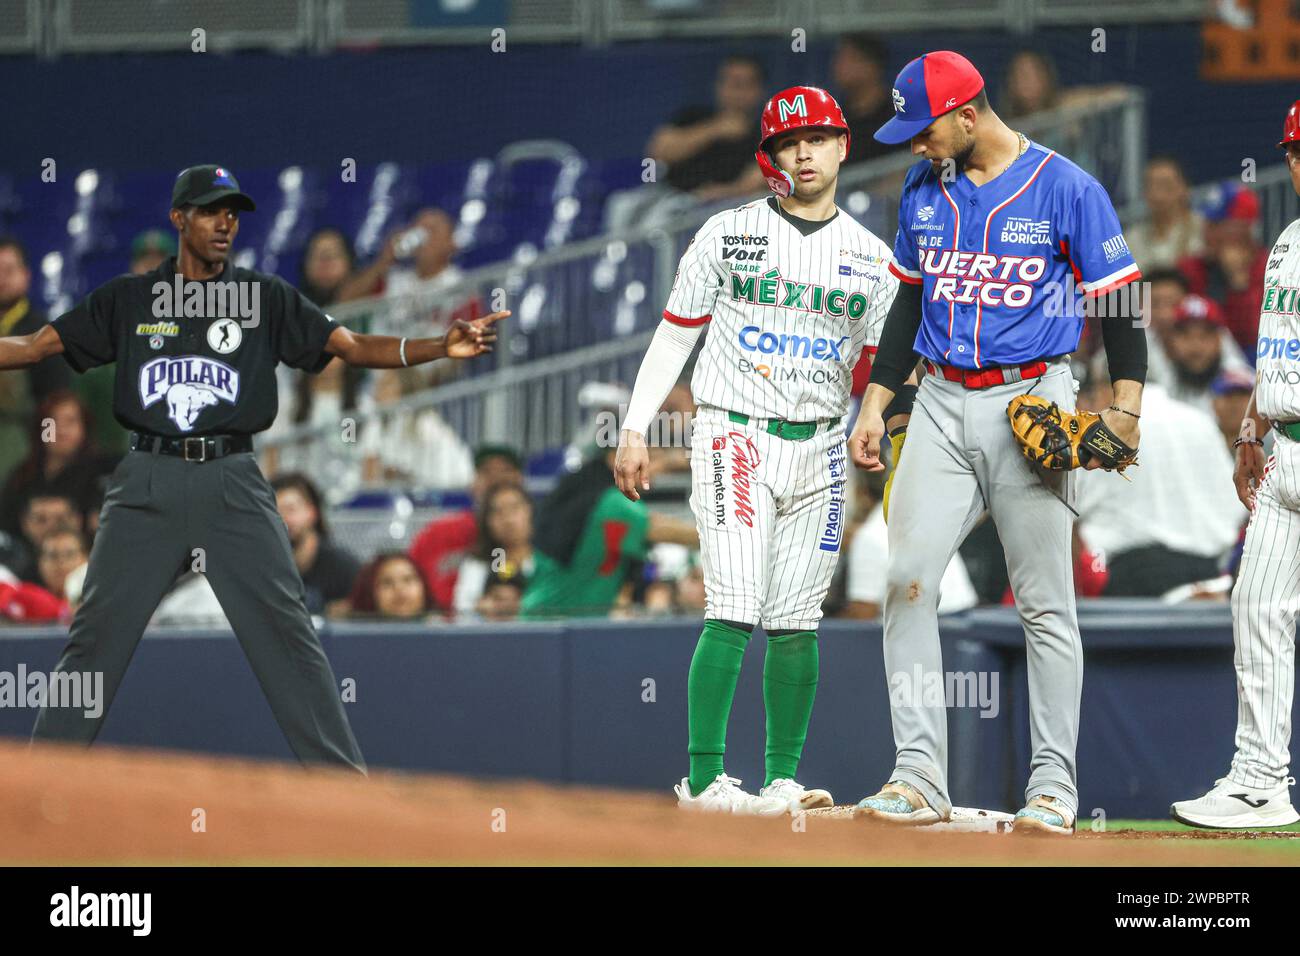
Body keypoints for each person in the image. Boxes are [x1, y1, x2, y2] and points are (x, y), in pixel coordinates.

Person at [0, 164, 508, 770]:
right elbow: (33, 348)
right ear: (179, 218)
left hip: (232, 476)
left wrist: (433, 347)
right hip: (145, 480)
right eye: (212, 211)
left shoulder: (262, 296)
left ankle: (344, 793)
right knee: (94, 640)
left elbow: (348, 345)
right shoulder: (129, 298)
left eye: (233, 213)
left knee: (289, 637)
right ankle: (36, 788)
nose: (225, 223)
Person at [853, 51, 1145, 835]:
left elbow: (1119, 301)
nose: (914, 143)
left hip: (1031, 396)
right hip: (941, 399)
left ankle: (1052, 788)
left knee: (1045, 603)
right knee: (907, 580)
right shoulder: (922, 189)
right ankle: (918, 778)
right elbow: (908, 305)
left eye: (924, 128)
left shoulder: (1065, 187)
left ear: (968, 115)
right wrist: (878, 401)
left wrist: (1126, 406)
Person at [616, 85, 899, 816]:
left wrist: (883, 426)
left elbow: (876, 372)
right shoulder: (728, 232)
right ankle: (704, 782)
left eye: (816, 138)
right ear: (769, 157)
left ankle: (780, 782)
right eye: (786, 143)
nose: (802, 152)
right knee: (735, 606)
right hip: (735, 432)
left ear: (843, 146)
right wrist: (636, 425)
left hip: (823, 446)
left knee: (798, 618)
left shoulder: (874, 260)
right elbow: (677, 331)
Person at [1172, 102, 1300, 828]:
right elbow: (1274, 352)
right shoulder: (1285, 241)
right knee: (1255, 609)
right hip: (1284, 454)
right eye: (1295, 150)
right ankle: (1259, 782)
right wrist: (1251, 427)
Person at [1075, 363, 1241, 598]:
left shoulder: (1106, 430)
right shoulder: (1201, 422)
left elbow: (1072, 509)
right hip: (1205, 574)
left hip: (1132, 576)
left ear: (1106, 387)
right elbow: (1235, 505)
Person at [523, 445, 697, 619]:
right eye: (652, 458)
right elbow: (663, 529)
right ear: (618, 457)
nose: (659, 469)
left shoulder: (584, 487)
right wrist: (720, 536)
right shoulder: (612, 502)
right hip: (551, 626)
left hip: (558, 621)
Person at [842, 468, 977, 619]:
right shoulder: (920, 512)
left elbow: (862, 617)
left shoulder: (869, 536)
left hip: (930, 627)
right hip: (966, 621)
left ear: (863, 493)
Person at [647, 55, 768, 203]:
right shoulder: (693, 116)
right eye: (733, 84)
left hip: (728, 207)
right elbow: (658, 152)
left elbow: (757, 180)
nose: (738, 93)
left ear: (759, 90)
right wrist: (715, 129)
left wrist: (723, 193)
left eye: (746, 85)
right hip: (674, 200)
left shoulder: (766, 134)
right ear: (719, 86)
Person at [0, 390, 119, 538]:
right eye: (52, 422)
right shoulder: (22, 476)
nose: (61, 430)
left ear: (84, 427)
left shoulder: (104, 471)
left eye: (70, 421)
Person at [0, 237, 72, 478]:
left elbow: (53, 402)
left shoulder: (43, 334)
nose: (2, 279)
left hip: (22, 445)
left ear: (26, 275)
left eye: (9, 270)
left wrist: (47, 450)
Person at [1180, 181, 1268, 354]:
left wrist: (1238, 282)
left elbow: (1254, 336)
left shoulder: (1270, 268)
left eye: (1215, 225)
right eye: (1206, 222)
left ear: (1244, 229)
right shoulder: (1191, 267)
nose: (1205, 231)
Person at [271, 472, 360, 617]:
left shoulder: (345, 569)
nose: (282, 519)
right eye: (274, 511)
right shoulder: (261, 569)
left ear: (312, 513)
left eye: (290, 510)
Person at [451, 481, 535, 620]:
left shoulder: (547, 561)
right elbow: (462, 616)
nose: (508, 519)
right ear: (487, 521)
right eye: (498, 511)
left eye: (514, 508)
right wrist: (481, 610)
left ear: (530, 511)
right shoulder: (477, 565)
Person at [1124, 156, 1206, 271]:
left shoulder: (1203, 229)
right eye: (1151, 186)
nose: (1158, 194)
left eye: (1166, 185)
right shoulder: (1132, 238)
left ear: (1184, 189)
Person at [831, 34, 897, 166]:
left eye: (849, 59)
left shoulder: (899, 116)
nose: (838, 66)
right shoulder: (835, 120)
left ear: (871, 66)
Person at [1163, 293, 1228, 415]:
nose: (1196, 346)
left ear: (1219, 340)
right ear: (1171, 341)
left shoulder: (1241, 389)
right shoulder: (1158, 386)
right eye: (1186, 335)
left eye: (1205, 336)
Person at [348, 552, 434, 620]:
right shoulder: (351, 636)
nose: (399, 588)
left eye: (408, 579)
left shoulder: (442, 628)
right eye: (387, 582)